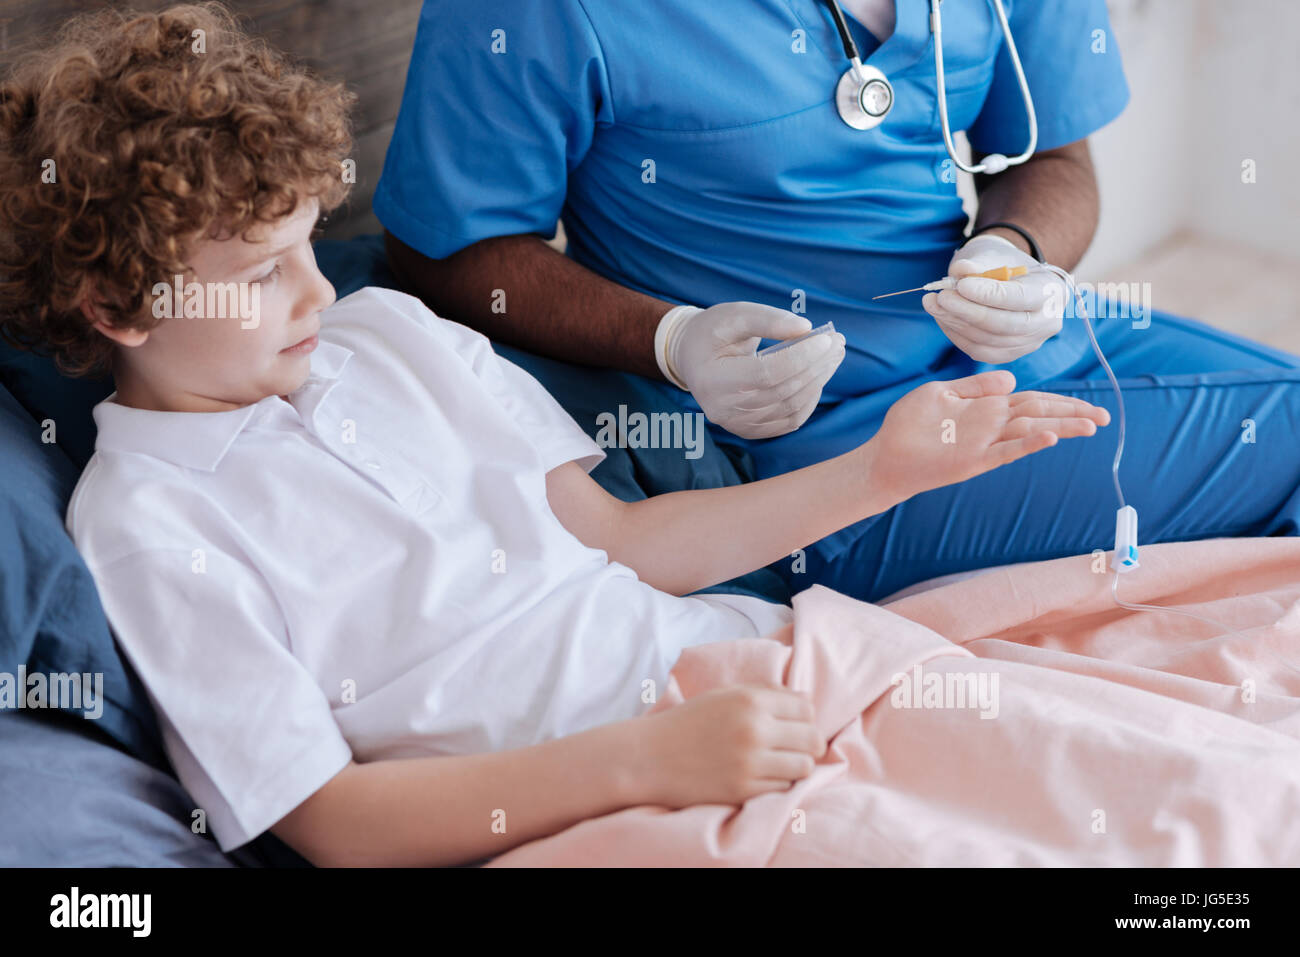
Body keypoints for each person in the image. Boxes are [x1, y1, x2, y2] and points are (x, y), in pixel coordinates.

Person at [0, 4, 1109, 866]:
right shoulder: (147, 525)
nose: (313, 294)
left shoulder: (388, 333)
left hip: (734, 674)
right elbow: (325, 821)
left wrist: (882, 473)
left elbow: (623, 546)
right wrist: (641, 763)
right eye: (259, 274)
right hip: (593, 802)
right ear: (120, 309)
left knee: (1110, 784)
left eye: (305, 247)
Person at [375, 0, 1300, 604]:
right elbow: (445, 254)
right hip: (819, 466)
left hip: (1027, 349)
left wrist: (1019, 255)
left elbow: (1055, 161)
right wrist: (672, 340)